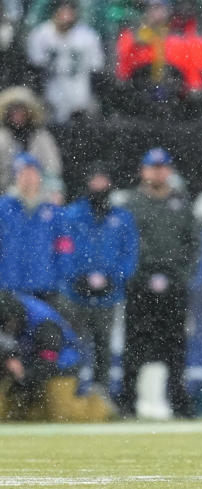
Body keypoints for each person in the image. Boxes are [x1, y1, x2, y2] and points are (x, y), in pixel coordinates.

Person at [119, 147, 197, 418]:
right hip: (140, 287)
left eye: (163, 167)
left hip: (174, 287)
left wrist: (180, 277)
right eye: (153, 167)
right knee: (135, 346)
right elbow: (124, 244)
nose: (158, 172)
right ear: (143, 171)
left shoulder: (181, 203)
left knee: (175, 347)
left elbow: (192, 245)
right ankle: (127, 402)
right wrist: (136, 276)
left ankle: (177, 401)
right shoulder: (131, 204)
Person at [60, 167, 139, 391]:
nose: (99, 185)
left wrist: (115, 279)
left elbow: (130, 253)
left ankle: (101, 394)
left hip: (108, 294)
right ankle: (72, 393)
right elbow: (64, 249)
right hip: (75, 293)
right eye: (95, 180)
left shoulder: (122, 217)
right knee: (73, 343)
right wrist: (77, 278)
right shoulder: (72, 215)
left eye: (103, 180)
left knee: (104, 344)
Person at [0, 291, 112, 422]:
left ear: (16, 318)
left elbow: (47, 363)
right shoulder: (9, 310)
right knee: (10, 415)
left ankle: (99, 405)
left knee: (63, 415)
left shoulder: (45, 325)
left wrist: (23, 375)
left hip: (59, 366)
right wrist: (8, 359)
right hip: (25, 366)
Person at [0, 153, 70, 301]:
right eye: (23, 173)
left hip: (44, 286)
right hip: (8, 286)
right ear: (16, 176)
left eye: (32, 172)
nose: (28, 178)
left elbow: (64, 245)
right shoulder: (3, 208)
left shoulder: (52, 211)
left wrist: (58, 276)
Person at [26, 0, 105, 125]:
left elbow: (96, 69)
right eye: (62, 10)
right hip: (50, 93)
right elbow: (35, 68)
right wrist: (40, 94)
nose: (66, 16)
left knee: (86, 125)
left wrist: (92, 94)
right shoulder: (41, 34)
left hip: (80, 93)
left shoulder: (88, 35)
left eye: (70, 11)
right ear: (54, 12)